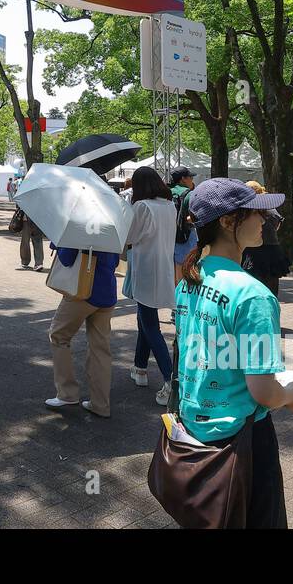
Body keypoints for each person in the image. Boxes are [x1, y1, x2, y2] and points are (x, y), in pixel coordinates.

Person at [173, 177, 293, 528]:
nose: (264, 221)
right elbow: (264, 391)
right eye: (256, 214)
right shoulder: (254, 296)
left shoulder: (190, 278)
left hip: (193, 433)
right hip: (243, 443)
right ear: (228, 221)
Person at [45, 239, 121, 418]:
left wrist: (58, 242)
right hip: (107, 291)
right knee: (100, 349)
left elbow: (67, 258)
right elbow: (116, 261)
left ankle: (67, 393)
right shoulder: (113, 225)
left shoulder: (81, 224)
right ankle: (100, 404)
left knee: (58, 336)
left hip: (83, 290)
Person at [123, 166, 177, 405]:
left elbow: (130, 237)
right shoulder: (169, 205)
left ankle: (170, 378)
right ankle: (140, 368)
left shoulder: (142, 207)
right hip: (163, 266)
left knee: (149, 324)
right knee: (144, 319)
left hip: (146, 270)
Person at [240, 180, 292, 299]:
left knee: (254, 285)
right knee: (270, 286)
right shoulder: (270, 208)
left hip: (256, 250)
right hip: (271, 249)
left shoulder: (251, 209)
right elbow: (277, 225)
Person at [170, 167, 198, 272]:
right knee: (186, 268)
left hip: (167, 236)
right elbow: (195, 216)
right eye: (190, 177)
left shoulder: (167, 192)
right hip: (185, 236)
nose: (192, 180)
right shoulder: (189, 194)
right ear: (183, 179)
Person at [19, 207, 46, 272]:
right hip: (35, 217)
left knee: (27, 240)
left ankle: (28, 262)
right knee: (35, 240)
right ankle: (37, 263)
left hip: (31, 217)